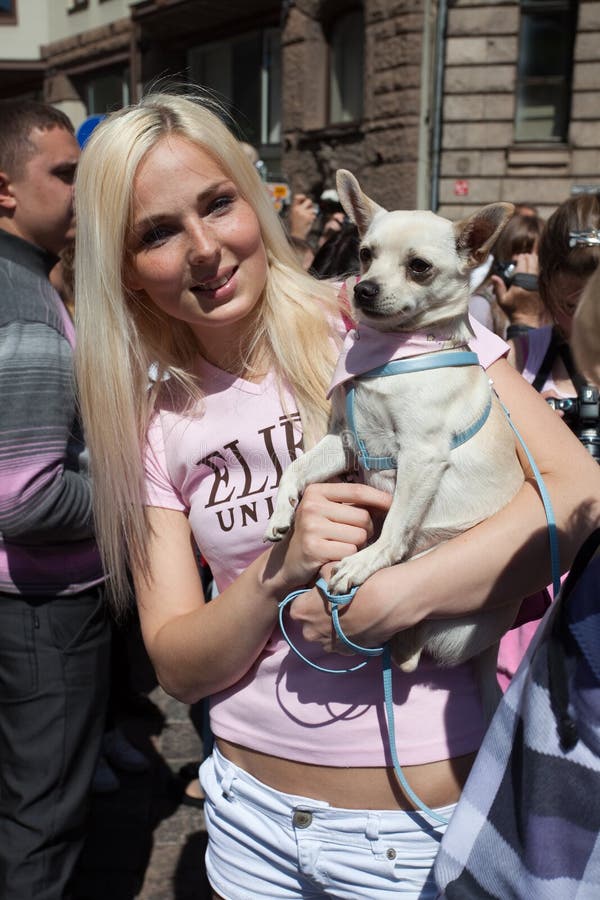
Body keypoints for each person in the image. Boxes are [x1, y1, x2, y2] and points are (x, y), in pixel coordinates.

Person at [73, 92, 600, 900]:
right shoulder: (149, 417)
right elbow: (178, 664)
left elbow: (576, 491)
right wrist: (276, 574)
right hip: (248, 827)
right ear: (125, 268)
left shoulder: (396, 325)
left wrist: (391, 594)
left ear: (254, 201)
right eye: (157, 231)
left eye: (218, 204)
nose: (205, 249)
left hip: (419, 828)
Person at [0, 100, 110, 899]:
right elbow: (29, 498)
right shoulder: (26, 302)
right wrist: (135, 499)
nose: (82, 190)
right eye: (64, 173)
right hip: (43, 609)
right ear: (4, 189)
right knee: (43, 819)